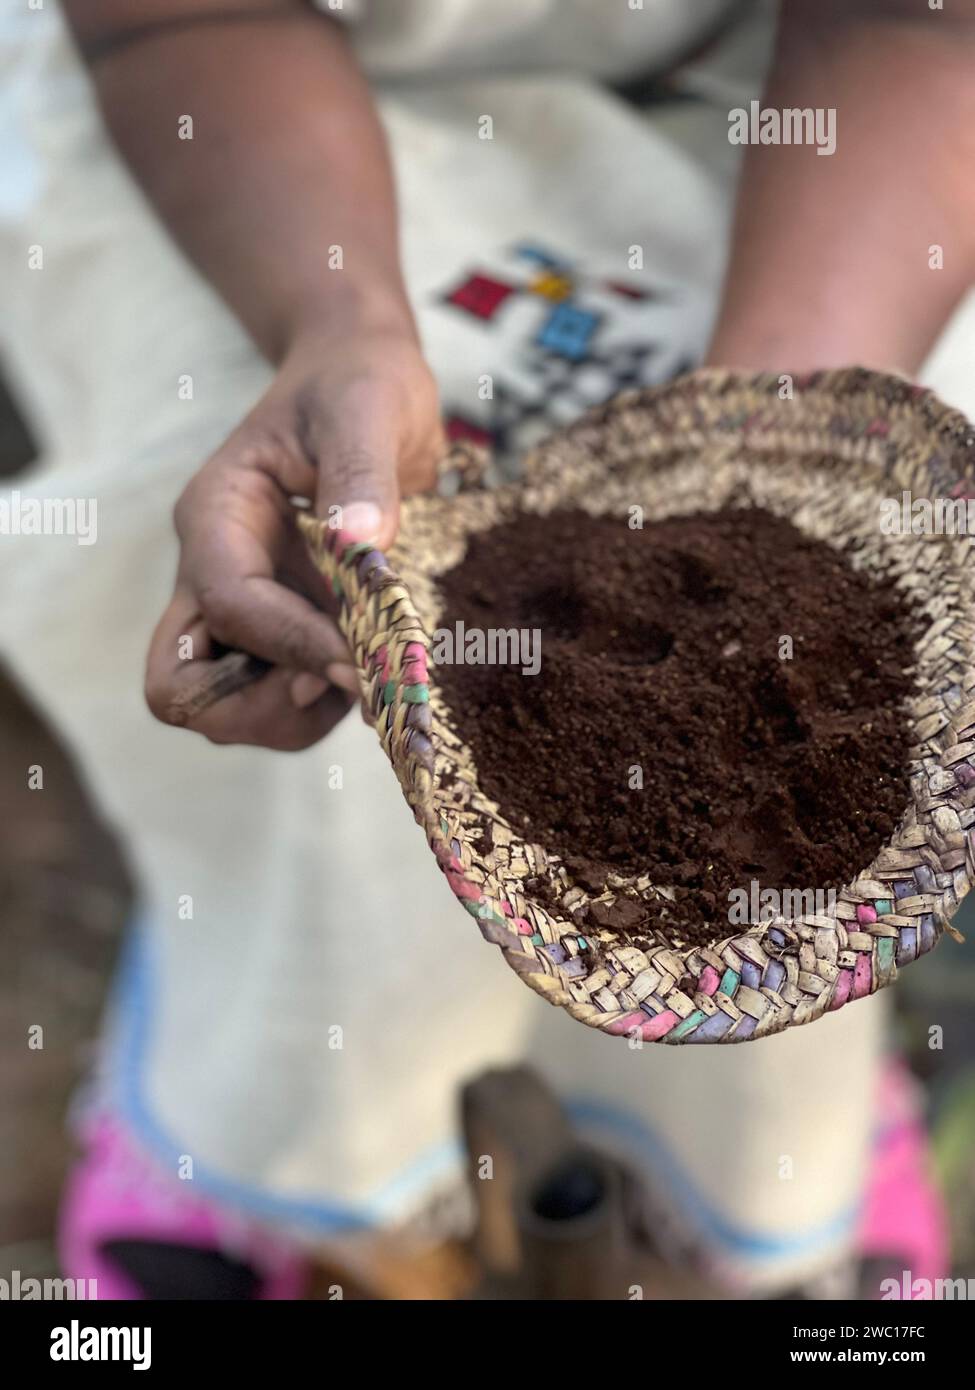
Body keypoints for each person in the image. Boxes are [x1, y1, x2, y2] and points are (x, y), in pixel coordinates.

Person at [1, 0, 967, 1298]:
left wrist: (751, 451)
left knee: (823, 677)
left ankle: (779, 1124)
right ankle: (287, 1137)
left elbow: (924, 26)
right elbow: (173, 19)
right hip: (244, 116)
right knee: (296, 582)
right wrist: (336, 321)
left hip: (791, 115)